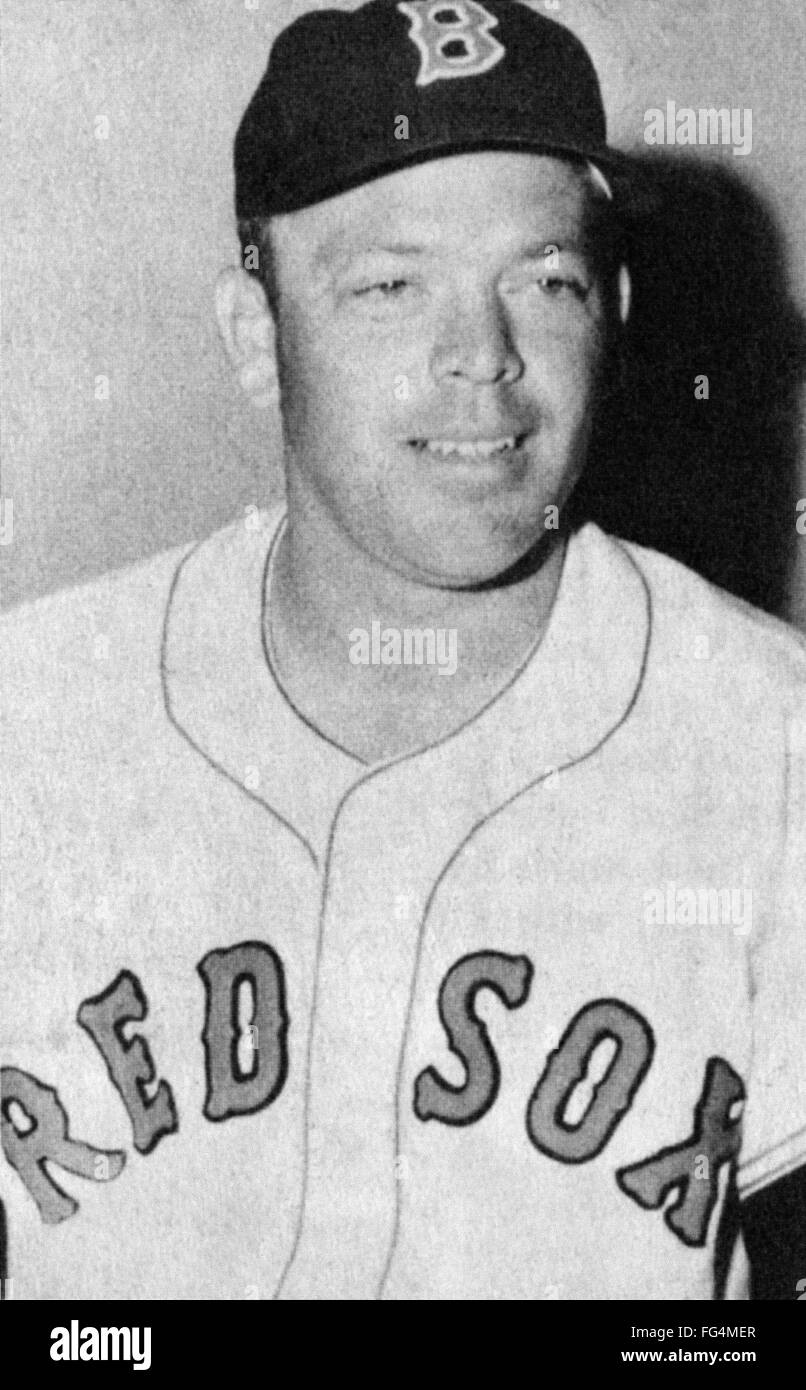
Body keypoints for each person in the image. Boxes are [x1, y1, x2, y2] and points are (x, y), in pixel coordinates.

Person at [1, 0, 804, 1301]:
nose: (479, 360)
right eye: (389, 286)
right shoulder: (30, 716)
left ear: (610, 309)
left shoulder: (773, 751)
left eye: (541, 280)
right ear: (257, 337)